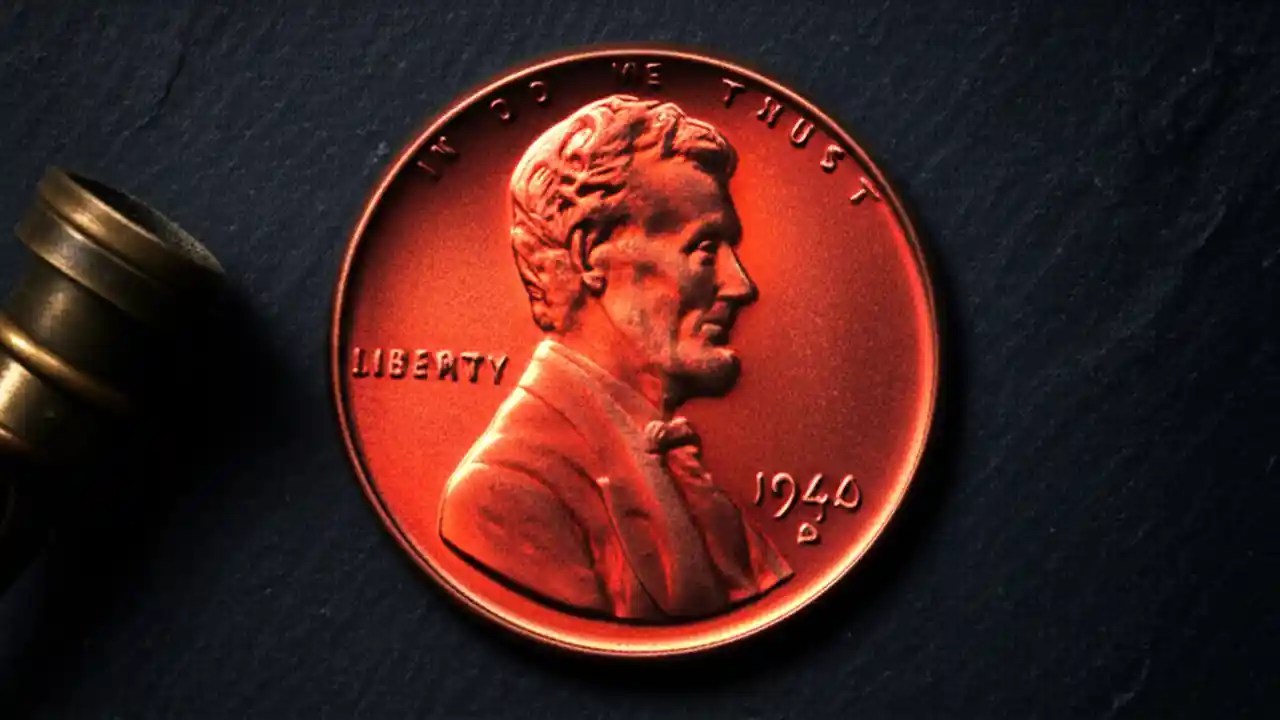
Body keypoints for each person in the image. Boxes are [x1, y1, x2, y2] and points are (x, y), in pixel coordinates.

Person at [439, 95, 792, 621]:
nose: (741, 285)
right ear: (588, 255)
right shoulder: (505, 495)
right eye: (703, 248)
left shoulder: (673, 459)